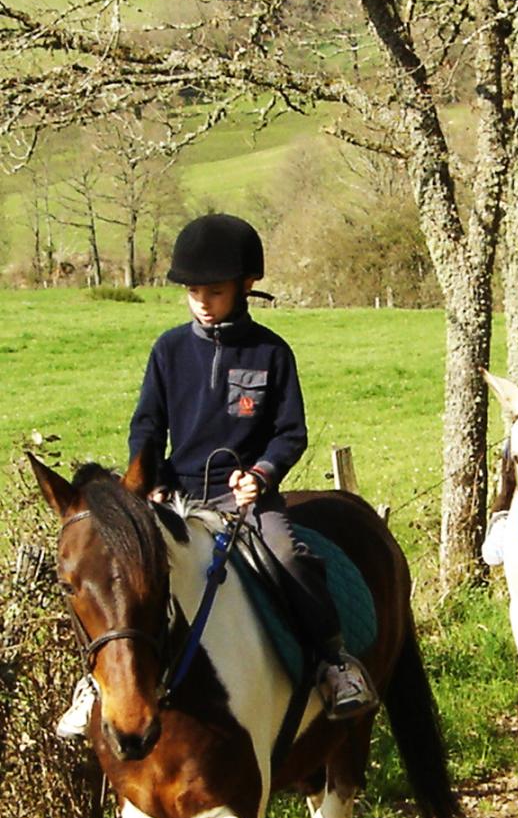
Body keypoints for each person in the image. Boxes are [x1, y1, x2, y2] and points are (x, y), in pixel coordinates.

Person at [57, 213, 377, 738]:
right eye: (193, 291)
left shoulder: (271, 352)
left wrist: (262, 473)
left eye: (215, 290)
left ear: (247, 285)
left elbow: (289, 432)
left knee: (288, 555)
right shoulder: (168, 351)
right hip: (175, 496)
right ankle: (94, 685)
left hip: (245, 501)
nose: (202, 301)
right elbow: (147, 426)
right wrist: (150, 482)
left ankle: (332, 661)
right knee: (114, 572)